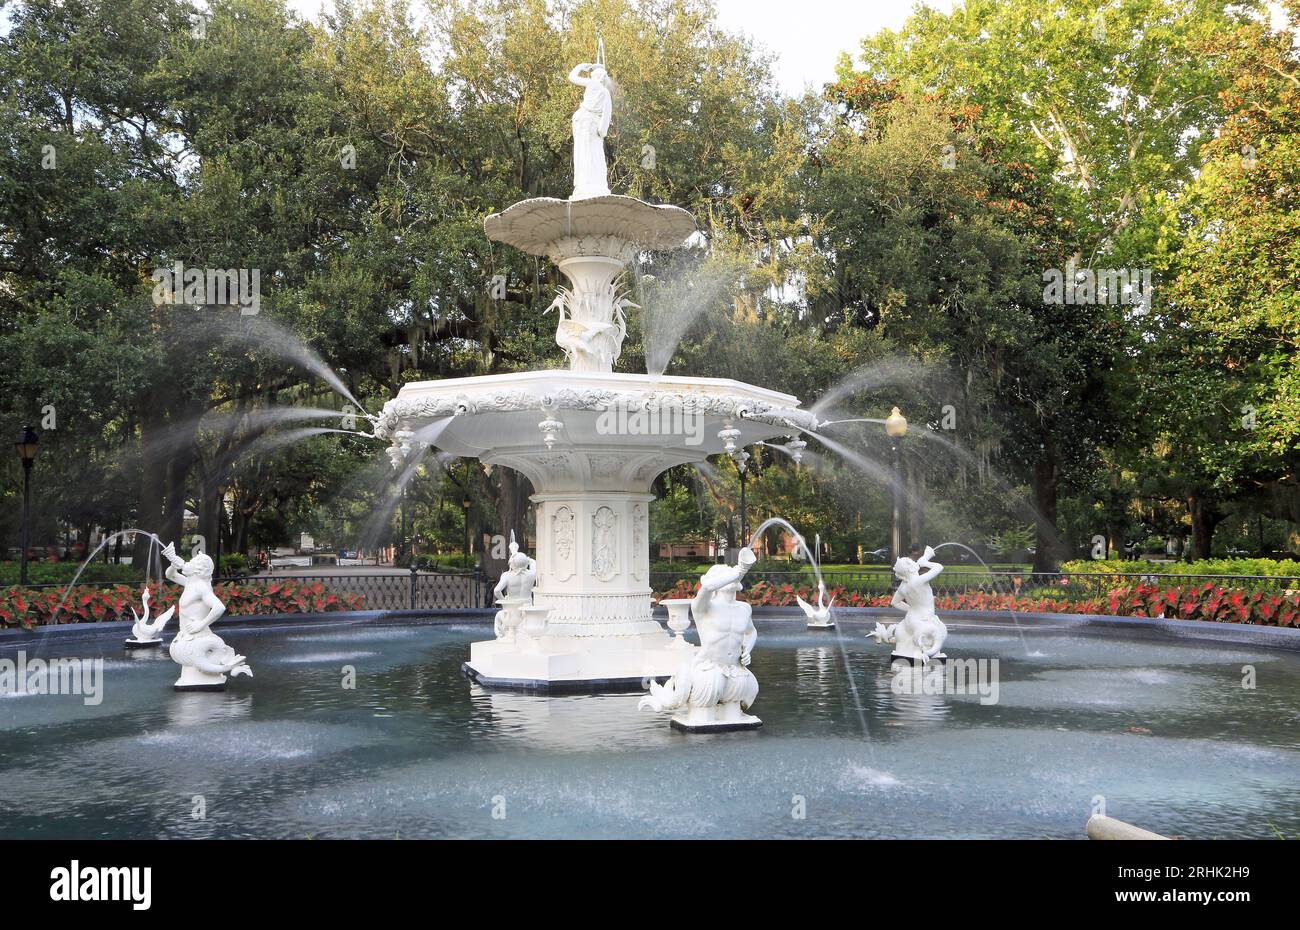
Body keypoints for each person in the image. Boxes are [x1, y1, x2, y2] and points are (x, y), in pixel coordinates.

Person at [568, 61, 612, 199]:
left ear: (595, 76)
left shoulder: (592, 84)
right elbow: (607, 115)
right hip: (594, 126)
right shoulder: (606, 93)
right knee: (595, 153)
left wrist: (580, 66)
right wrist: (602, 132)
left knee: (583, 152)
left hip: (583, 121)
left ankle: (584, 183)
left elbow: (572, 77)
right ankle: (595, 182)